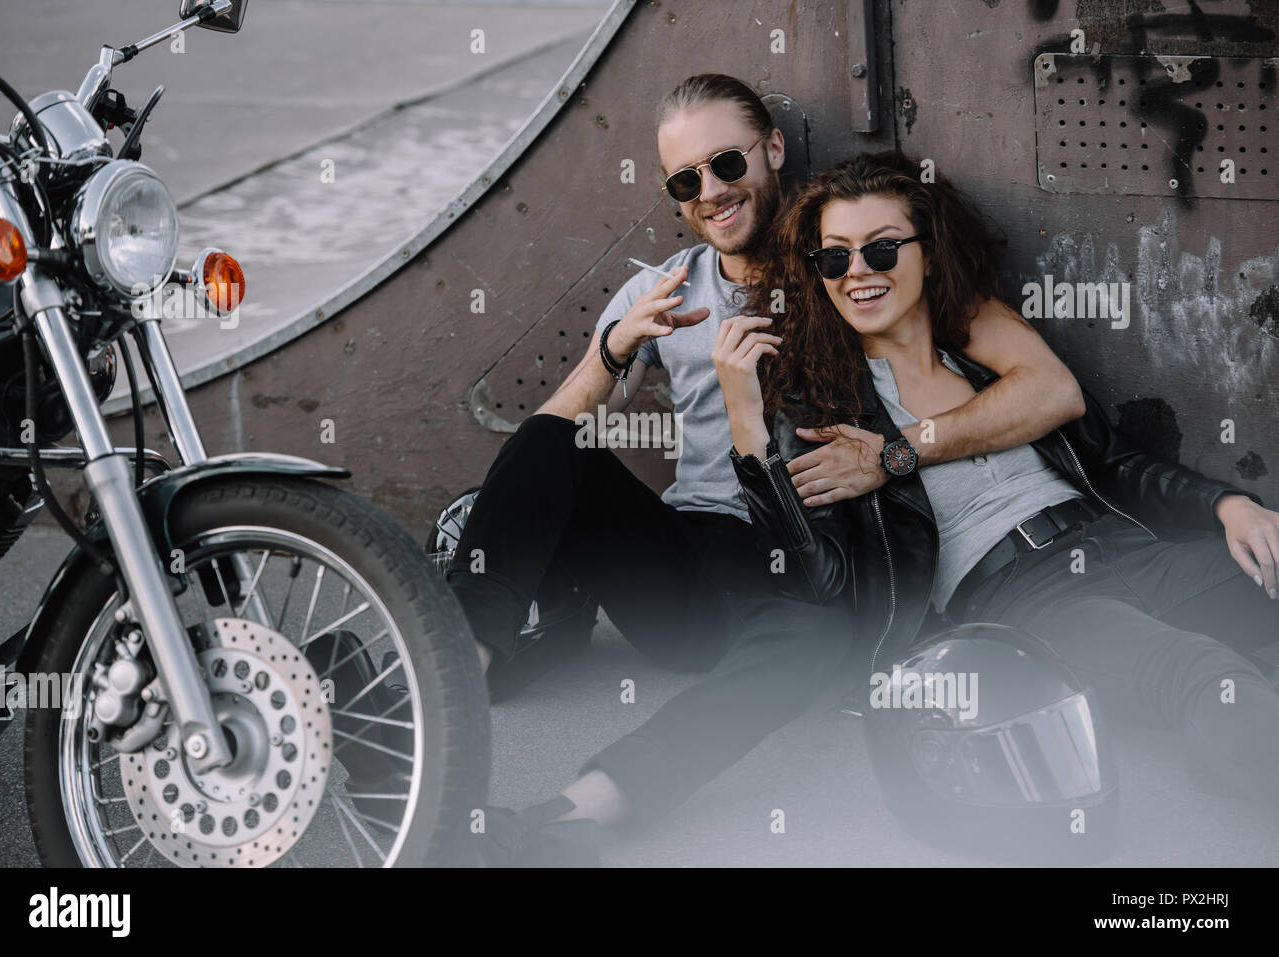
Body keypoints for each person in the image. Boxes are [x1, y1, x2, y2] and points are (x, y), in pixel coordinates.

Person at [448, 76, 1089, 864]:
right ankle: (442, 684)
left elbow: (1051, 387)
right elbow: (555, 442)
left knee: (814, 638)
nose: (711, 193)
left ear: (773, 149)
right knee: (554, 442)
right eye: (687, 181)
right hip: (688, 566)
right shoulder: (664, 291)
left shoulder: (845, 267)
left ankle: (571, 815)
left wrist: (897, 450)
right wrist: (613, 350)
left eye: (727, 164)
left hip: (807, 561)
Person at [719, 150, 1279, 814]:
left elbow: (1111, 458)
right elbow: (824, 585)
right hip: (1027, 600)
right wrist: (746, 423)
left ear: (928, 253)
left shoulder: (985, 356)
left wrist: (1227, 504)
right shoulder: (824, 411)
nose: (858, 273)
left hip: (1123, 549)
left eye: (882, 249)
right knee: (1203, 675)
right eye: (834, 257)